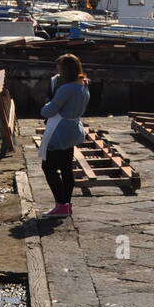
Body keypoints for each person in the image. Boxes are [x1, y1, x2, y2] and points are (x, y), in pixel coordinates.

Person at [40, 53, 90, 217]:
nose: (58, 72)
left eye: (60, 68)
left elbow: (49, 110)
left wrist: (45, 104)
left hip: (59, 131)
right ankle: (66, 204)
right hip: (74, 128)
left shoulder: (66, 88)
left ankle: (60, 204)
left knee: (48, 167)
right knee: (66, 168)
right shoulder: (83, 85)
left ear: (66, 70)